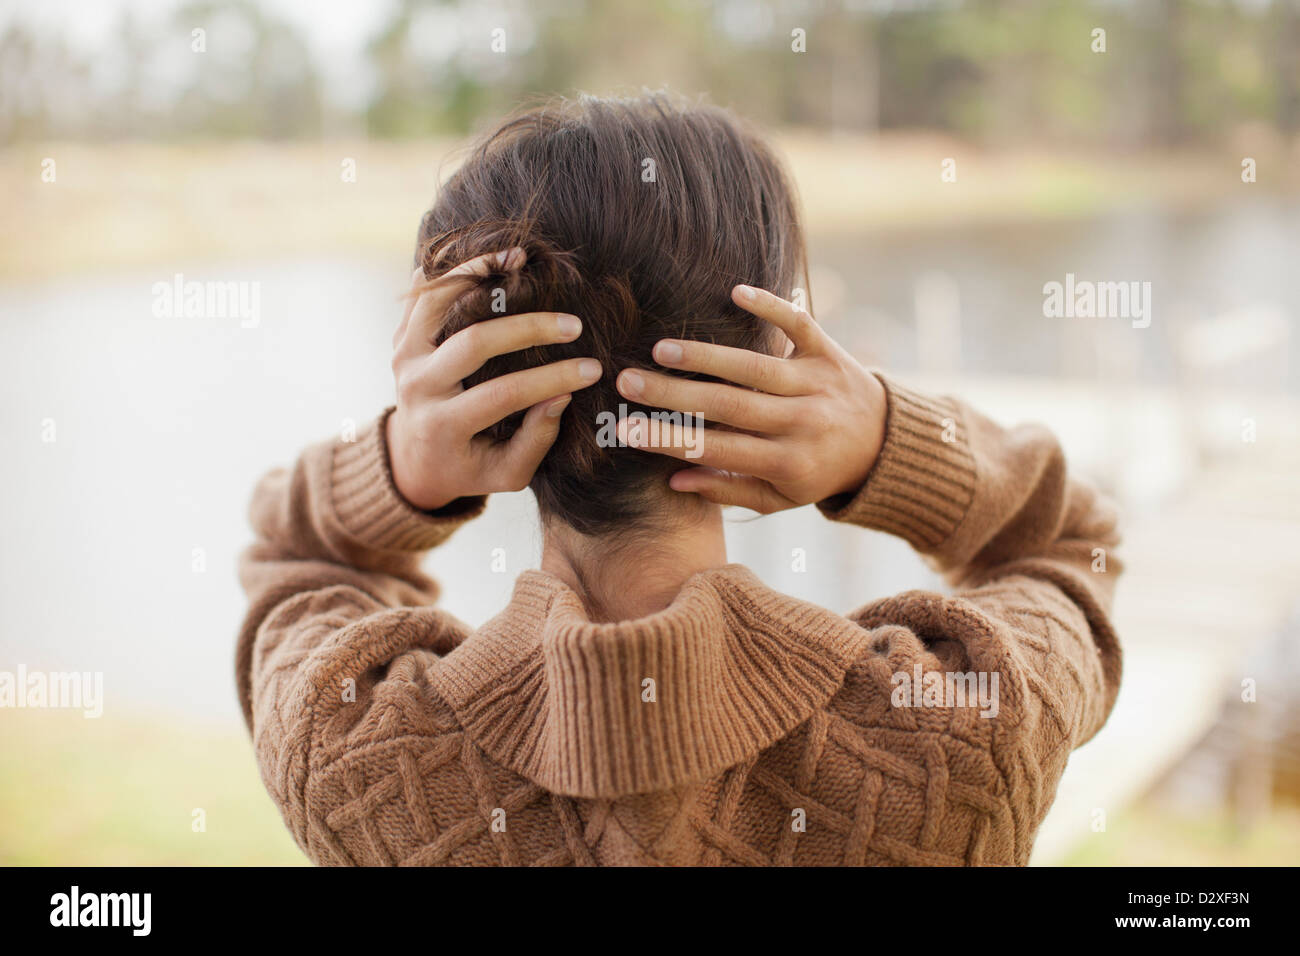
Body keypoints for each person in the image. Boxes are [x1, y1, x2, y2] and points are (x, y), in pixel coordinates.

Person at [236, 93, 1122, 866]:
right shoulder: (964, 727)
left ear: (469, 389)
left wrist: (401, 470)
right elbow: (1071, 552)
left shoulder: (351, 749)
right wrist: (888, 441)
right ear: (775, 357)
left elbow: (297, 559)